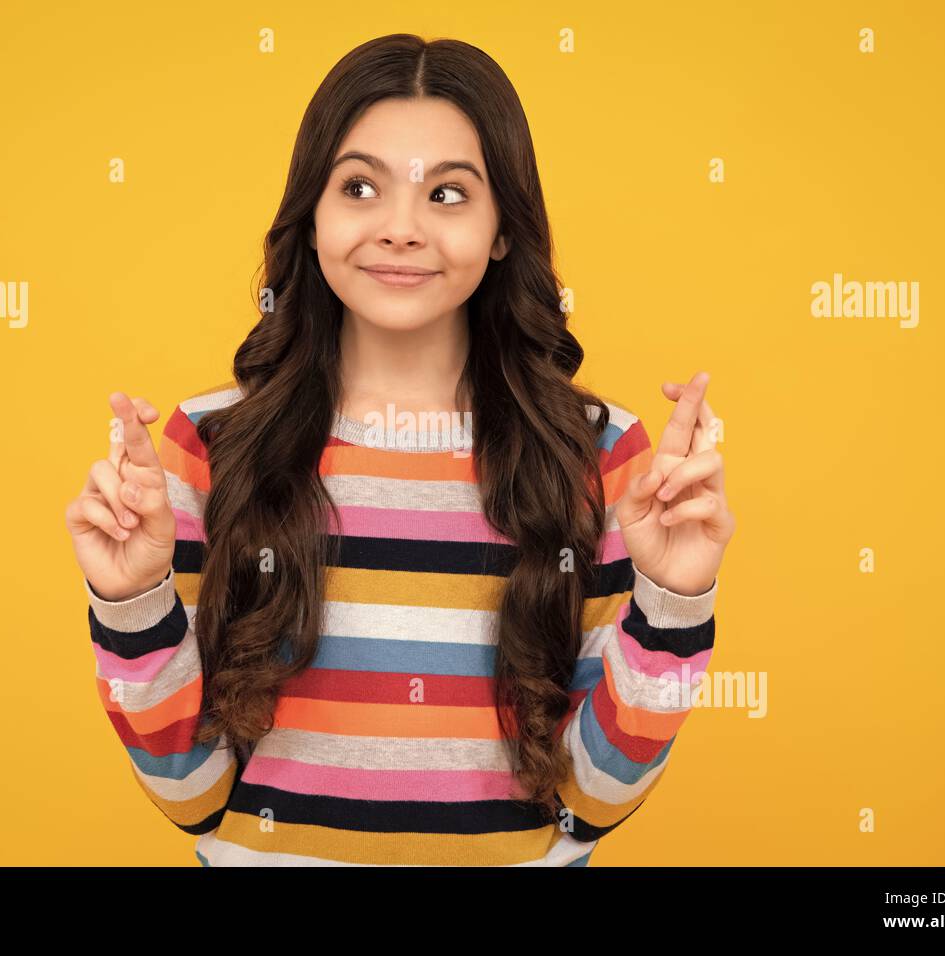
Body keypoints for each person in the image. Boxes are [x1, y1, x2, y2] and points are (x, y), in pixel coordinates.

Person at [64, 33, 734, 866]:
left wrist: (676, 594)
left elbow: (594, 801)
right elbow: (189, 797)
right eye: (359, 187)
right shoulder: (207, 447)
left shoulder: (603, 458)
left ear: (501, 230)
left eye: (448, 194)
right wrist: (130, 601)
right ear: (312, 218)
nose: (401, 230)